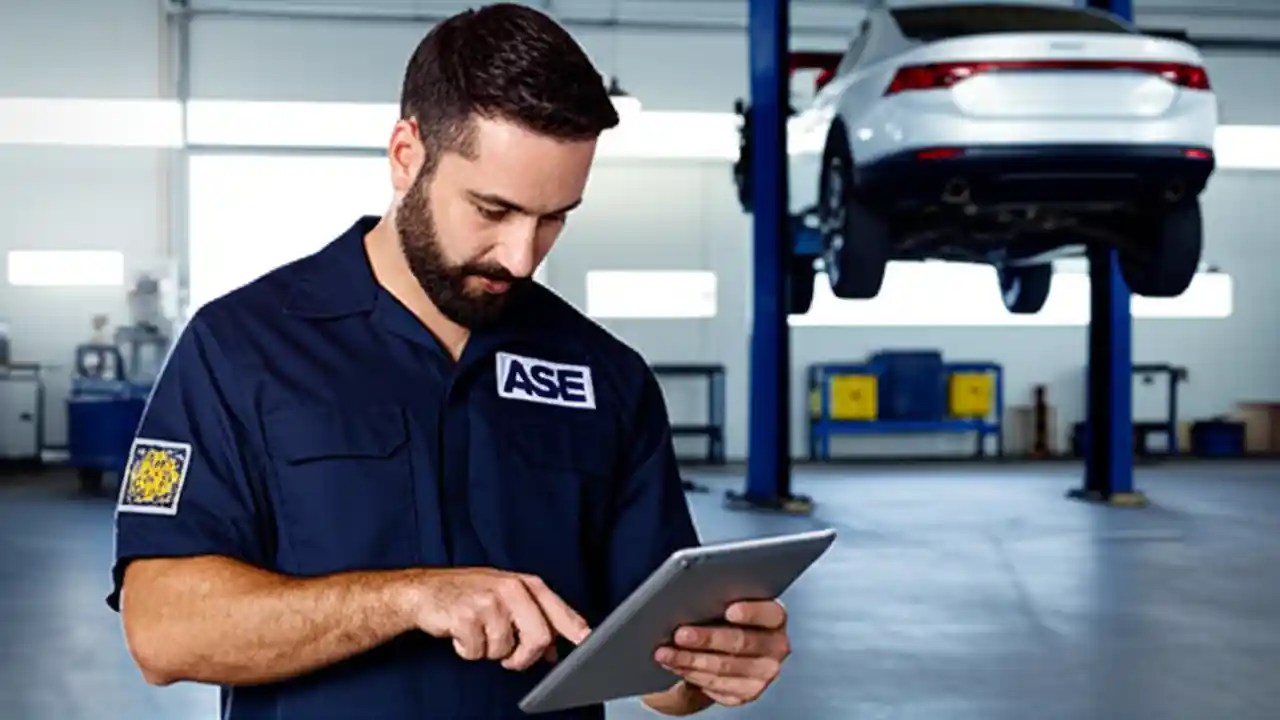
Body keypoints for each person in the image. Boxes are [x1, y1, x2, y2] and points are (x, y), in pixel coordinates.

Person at [109, 4, 792, 719]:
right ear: (407, 154)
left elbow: (658, 668)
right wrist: (409, 598)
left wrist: (711, 664)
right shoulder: (240, 348)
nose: (521, 257)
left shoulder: (606, 377)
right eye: (493, 211)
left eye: (554, 217)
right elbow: (161, 632)